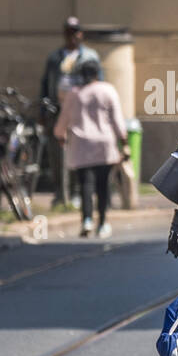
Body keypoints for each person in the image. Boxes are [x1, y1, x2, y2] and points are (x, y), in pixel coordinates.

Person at [53, 60, 125, 239]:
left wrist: (60, 135)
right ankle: (102, 223)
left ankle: (86, 219)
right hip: (104, 144)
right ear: (97, 73)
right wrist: (123, 141)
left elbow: (62, 121)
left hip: (80, 144)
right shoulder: (108, 90)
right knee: (102, 186)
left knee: (85, 184)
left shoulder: (73, 94)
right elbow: (116, 119)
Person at [40, 17, 102, 207]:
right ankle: (60, 193)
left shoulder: (90, 56)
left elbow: (98, 83)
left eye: (75, 31)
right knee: (56, 154)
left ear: (80, 34)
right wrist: (43, 110)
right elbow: (44, 84)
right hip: (57, 110)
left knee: (77, 153)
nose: (72, 36)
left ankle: (75, 193)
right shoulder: (55, 58)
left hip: (80, 112)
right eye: (68, 32)